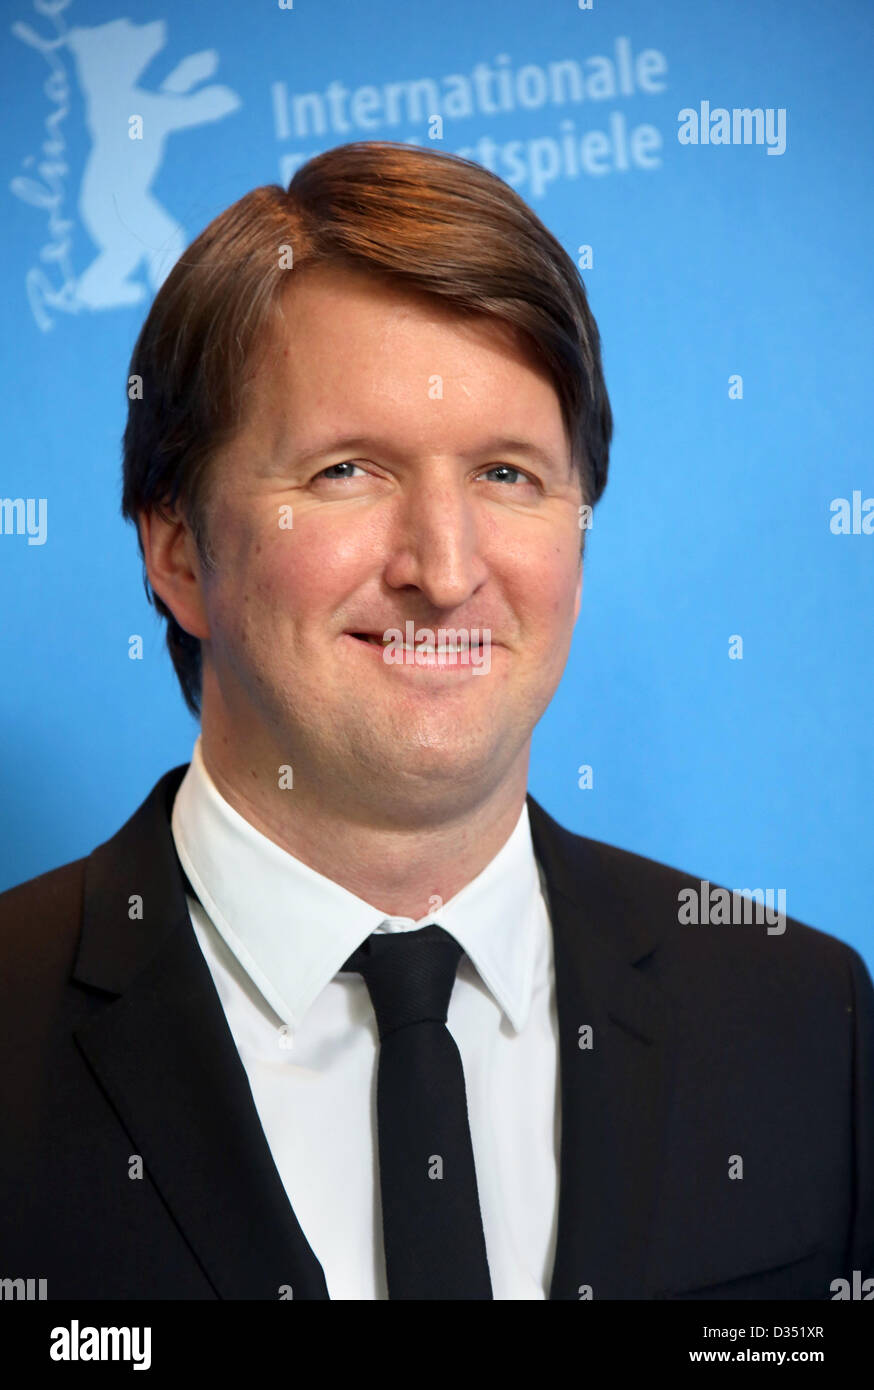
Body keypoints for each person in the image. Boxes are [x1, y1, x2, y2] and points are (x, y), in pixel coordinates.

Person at [1, 141, 871, 1302]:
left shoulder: (799, 1017)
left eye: (508, 474)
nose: (447, 570)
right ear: (176, 549)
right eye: (348, 470)